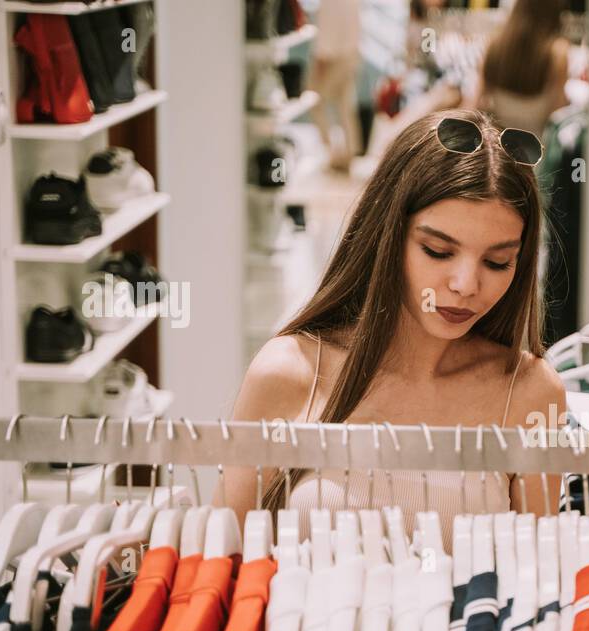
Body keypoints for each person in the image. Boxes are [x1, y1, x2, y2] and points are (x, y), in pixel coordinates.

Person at [221, 109, 565, 543]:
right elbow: (225, 563)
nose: (466, 285)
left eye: (497, 262)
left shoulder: (530, 392)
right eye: (438, 251)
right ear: (387, 236)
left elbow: (536, 585)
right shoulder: (291, 373)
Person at [475, 0, 571, 138]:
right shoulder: (557, 52)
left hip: (499, 146)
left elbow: (477, 103)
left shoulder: (495, 44)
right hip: (537, 149)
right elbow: (557, 112)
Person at [308, 0, 364, 173]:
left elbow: (327, 35)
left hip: (333, 58)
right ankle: (347, 153)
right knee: (344, 104)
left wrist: (320, 63)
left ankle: (333, 152)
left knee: (314, 100)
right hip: (352, 53)